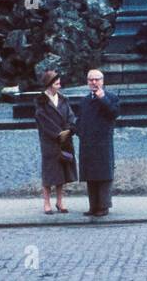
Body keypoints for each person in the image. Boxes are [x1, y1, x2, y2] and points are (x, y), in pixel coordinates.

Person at [75, 68, 120, 216]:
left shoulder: (111, 97)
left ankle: (104, 206)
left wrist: (103, 99)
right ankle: (93, 206)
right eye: (91, 80)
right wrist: (79, 132)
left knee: (104, 175)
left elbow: (114, 113)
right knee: (90, 176)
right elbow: (80, 120)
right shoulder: (85, 100)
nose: (94, 82)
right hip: (87, 143)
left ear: (103, 81)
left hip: (103, 142)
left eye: (97, 79)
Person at [34, 69, 77, 215]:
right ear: (48, 83)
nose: (58, 82)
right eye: (55, 80)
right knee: (49, 172)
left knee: (62, 172)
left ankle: (60, 201)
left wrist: (70, 129)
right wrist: (58, 133)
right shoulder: (42, 101)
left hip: (65, 140)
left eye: (58, 79)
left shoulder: (63, 99)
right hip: (50, 141)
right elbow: (42, 120)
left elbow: (71, 116)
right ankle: (46, 203)